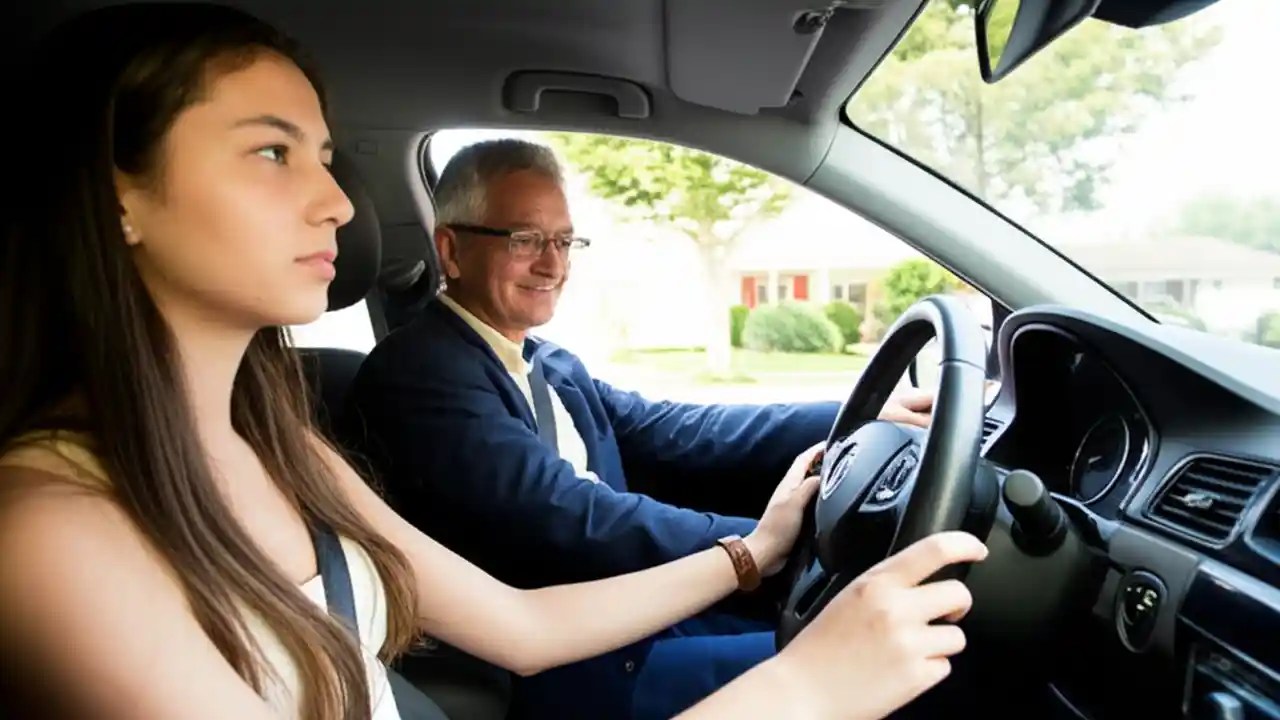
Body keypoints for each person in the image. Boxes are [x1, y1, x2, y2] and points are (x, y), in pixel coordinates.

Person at [0, 4, 983, 720]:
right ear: (115, 192)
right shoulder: (47, 536)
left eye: (325, 156)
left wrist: (762, 545)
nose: (338, 203)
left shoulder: (288, 450)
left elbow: (521, 623)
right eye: (271, 153)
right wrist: (804, 688)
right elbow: (561, 533)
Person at [345, 138, 938, 719]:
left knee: (905, 639)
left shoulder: (544, 360)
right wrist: (769, 542)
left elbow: (676, 430)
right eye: (525, 239)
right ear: (451, 251)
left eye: (564, 240)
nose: (553, 263)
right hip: (571, 661)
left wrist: (855, 416)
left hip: (637, 614)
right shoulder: (422, 372)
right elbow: (567, 516)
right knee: (909, 668)